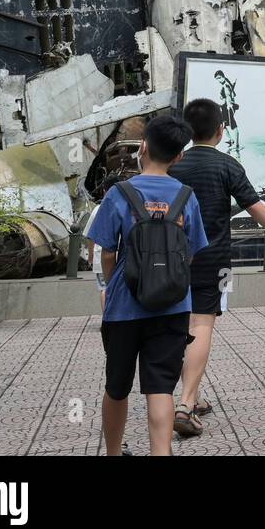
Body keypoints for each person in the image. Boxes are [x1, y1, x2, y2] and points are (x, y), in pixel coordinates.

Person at [170, 98, 265, 438]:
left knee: (182, 327)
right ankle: (185, 403)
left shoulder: (174, 165)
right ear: (221, 129)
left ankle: (193, 396)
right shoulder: (227, 164)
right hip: (213, 260)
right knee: (202, 325)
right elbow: (254, 205)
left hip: (173, 260)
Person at [86, 114, 208, 456]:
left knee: (117, 388)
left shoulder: (119, 193)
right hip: (172, 308)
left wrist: (114, 284)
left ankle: (113, 452)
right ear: (178, 156)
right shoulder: (186, 196)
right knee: (160, 390)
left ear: (142, 146)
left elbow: (106, 252)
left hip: (124, 309)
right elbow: (191, 253)